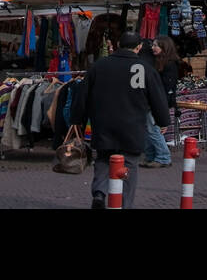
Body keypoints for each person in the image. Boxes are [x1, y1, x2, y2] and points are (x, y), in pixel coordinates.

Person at [72, 30, 169, 209]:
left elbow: (82, 95)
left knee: (102, 159)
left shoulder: (99, 66)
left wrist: (77, 118)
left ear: (117, 45)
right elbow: (158, 98)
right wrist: (163, 120)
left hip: (103, 123)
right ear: (139, 47)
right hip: (132, 126)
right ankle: (124, 204)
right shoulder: (146, 69)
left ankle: (99, 193)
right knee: (130, 163)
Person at [141, 38, 179, 168]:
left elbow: (166, 87)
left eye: (156, 46)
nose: (153, 48)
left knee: (153, 129)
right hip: (153, 100)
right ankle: (151, 155)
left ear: (165, 47)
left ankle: (163, 156)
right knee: (148, 128)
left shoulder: (169, 65)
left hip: (157, 101)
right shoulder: (156, 62)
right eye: (153, 45)